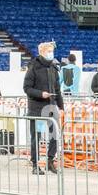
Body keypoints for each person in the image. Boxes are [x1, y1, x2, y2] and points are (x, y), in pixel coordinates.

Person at [22, 41, 63, 174]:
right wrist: (41, 94)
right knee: (36, 137)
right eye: (49, 51)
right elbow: (27, 88)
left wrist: (61, 107)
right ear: (42, 52)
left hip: (51, 107)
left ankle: (50, 160)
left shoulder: (53, 68)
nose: (51, 54)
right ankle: (35, 164)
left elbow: (58, 89)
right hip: (36, 107)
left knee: (56, 134)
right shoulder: (33, 66)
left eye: (52, 51)